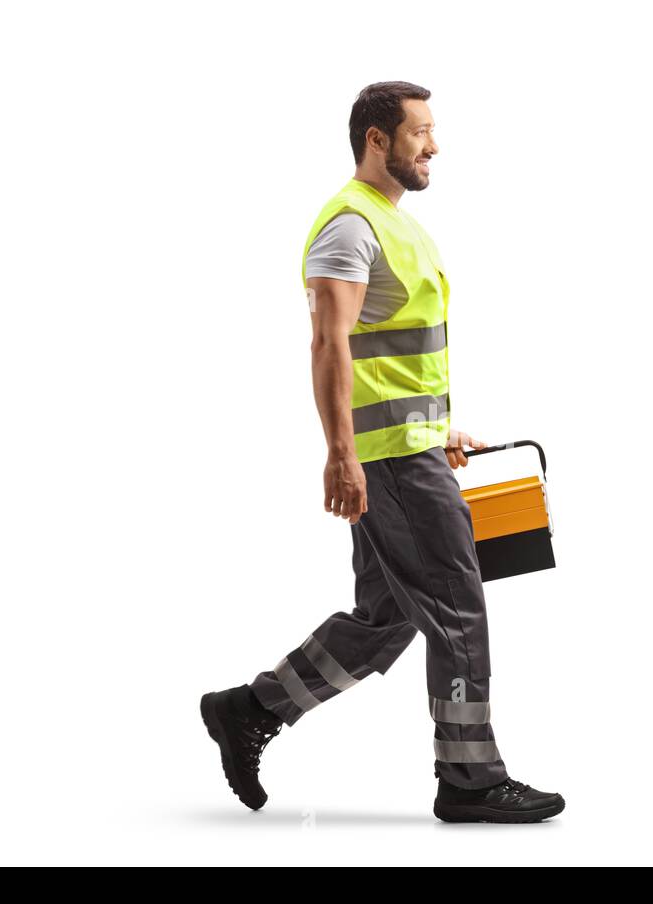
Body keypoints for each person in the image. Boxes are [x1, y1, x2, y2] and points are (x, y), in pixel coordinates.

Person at [200, 81, 564, 824]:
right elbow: (327, 345)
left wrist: (439, 427)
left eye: (431, 132)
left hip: (408, 446)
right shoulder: (349, 226)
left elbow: (390, 356)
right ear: (377, 139)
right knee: (457, 607)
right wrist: (342, 456)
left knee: (386, 616)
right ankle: (469, 777)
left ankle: (249, 710)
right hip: (388, 460)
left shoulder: (395, 224)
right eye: (419, 133)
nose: (433, 145)